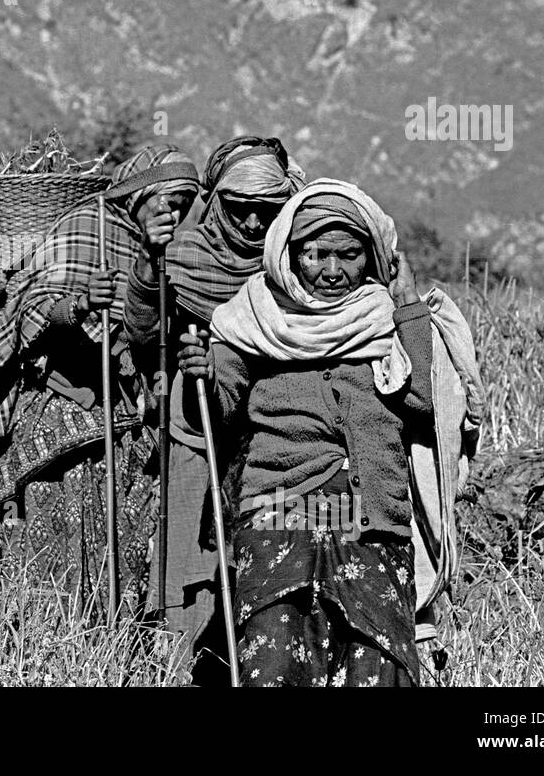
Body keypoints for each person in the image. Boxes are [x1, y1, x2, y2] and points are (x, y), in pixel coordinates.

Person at [177, 178, 481, 687]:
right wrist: (201, 377)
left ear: (375, 259)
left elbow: (424, 403)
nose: (333, 271)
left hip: (371, 514)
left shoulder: (389, 320)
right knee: (273, 655)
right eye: (316, 254)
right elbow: (218, 410)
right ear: (290, 255)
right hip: (279, 507)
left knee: (375, 661)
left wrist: (405, 302)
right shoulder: (252, 320)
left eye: (350, 255)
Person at [0, 144, 199, 608]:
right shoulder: (83, 227)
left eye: (184, 206)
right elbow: (29, 314)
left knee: (122, 553)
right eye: (167, 201)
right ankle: (41, 646)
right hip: (65, 410)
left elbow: (151, 338)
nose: (175, 213)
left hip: (129, 426)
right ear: (139, 194)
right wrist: (79, 305)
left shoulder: (168, 259)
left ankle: (107, 655)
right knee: (54, 549)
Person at [123, 135, 303, 672]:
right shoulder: (182, 258)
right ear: (216, 201)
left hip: (272, 435)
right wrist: (148, 263)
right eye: (239, 209)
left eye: (265, 212)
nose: (251, 224)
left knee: (266, 561)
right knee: (190, 566)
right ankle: (178, 666)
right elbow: (142, 336)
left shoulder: (293, 264)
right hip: (196, 432)